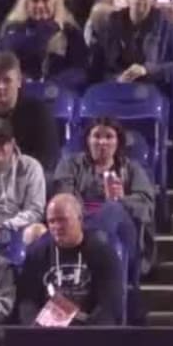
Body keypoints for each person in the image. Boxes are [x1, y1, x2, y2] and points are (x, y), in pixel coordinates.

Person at [52, 116, 156, 278]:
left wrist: (121, 199)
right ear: (88, 140)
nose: (102, 142)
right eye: (96, 136)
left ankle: (91, 248)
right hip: (79, 227)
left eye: (109, 137)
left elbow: (146, 207)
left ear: (118, 142)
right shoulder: (70, 165)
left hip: (122, 235)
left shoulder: (132, 169)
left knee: (112, 208)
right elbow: (64, 199)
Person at [16, 194, 124, 326]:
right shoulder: (37, 254)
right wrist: (35, 328)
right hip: (46, 331)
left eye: (62, 220)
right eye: (52, 221)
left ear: (80, 219)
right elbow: (27, 301)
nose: (57, 226)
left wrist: (90, 331)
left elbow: (110, 304)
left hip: (89, 331)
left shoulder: (103, 253)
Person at [87, 0, 173, 89]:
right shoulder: (111, 23)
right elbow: (97, 68)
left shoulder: (165, 26)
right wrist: (116, 79)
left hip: (151, 87)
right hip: (115, 86)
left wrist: (146, 70)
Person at [0, 0, 88, 92]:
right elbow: (10, 59)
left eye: (45, 0)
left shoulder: (70, 30)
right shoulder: (13, 27)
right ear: (26, 4)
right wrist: (53, 26)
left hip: (57, 91)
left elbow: (79, 71)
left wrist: (51, 84)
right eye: (35, 0)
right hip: (23, 90)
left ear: (55, 3)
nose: (40, 5)